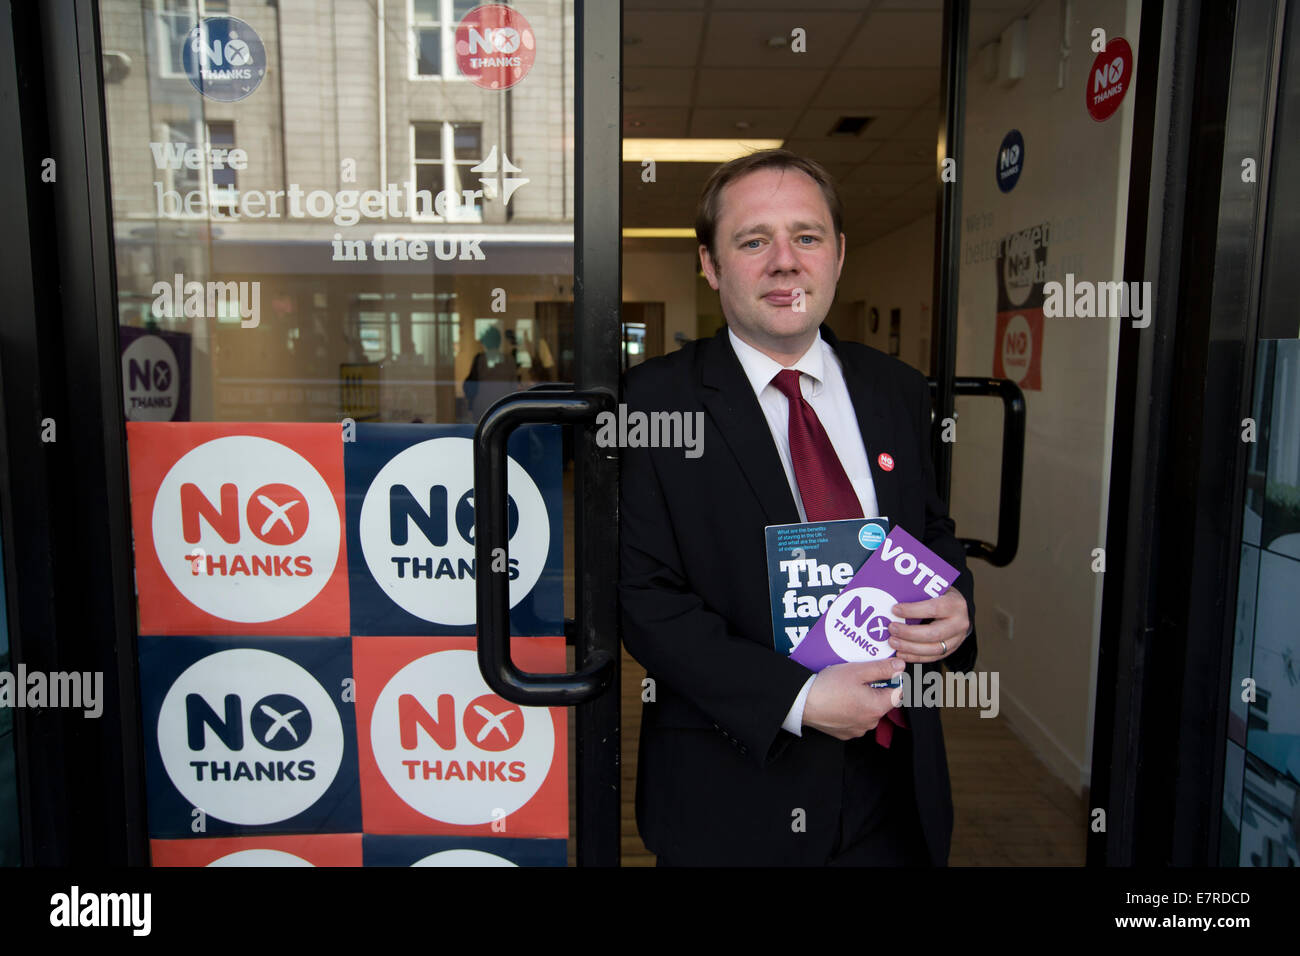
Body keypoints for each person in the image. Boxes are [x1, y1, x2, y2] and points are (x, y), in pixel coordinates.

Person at [619, 149, 978, 866]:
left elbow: (932, 533)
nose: (785, 261)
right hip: (734, 791)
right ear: (712, 266)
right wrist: (800, 699)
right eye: (755, 241)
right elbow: (641, 598)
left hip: (892, 789)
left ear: (838, 255)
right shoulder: (650, 403)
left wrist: (956, 604)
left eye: (806, 237)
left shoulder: (896, 389)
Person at [462, 325, 518, 420]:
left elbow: (470, 385)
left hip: (483, 407)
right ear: (499, 341)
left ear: (485, 342)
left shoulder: (480, 360)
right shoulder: (510, 360)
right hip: (503, 406)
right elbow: (514, 386)